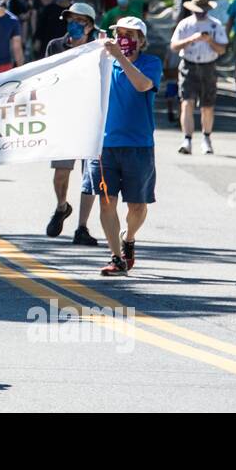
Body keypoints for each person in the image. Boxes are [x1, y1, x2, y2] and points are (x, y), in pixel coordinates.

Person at [83, 17, 162, 276]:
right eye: (120, 33)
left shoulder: (151, 63)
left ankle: (129, 238)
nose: (124, 37)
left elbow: (142, 85)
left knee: (137, 206)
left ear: (141, 40)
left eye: (131, 34)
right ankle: (116, 257)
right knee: (107, 202)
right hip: (104, 146)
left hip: (138, 145)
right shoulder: (103, 63)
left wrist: (121, 58)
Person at [44, 3, 101, 246]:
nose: (74, 25)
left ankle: (82, 227)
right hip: (64, 118)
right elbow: (44, 76)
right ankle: (61, 207)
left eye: (80, 21)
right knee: (60, 174)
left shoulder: (99, 48)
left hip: (91, 118)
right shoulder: (55, 46)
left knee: (89, 176)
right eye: (71, 20)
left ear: (90, 25)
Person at [170, 0, 228, 155]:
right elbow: (174, 46)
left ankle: (206, 138)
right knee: (187, 102)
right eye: (197, 9)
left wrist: (210, 41)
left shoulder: (215, 25)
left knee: (207, 106)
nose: (200, 12)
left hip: (208, 65)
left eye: (202, 9)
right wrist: (191, 39)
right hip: (189, 65)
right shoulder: (185, 24)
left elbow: (222, 49)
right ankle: (187, 139)